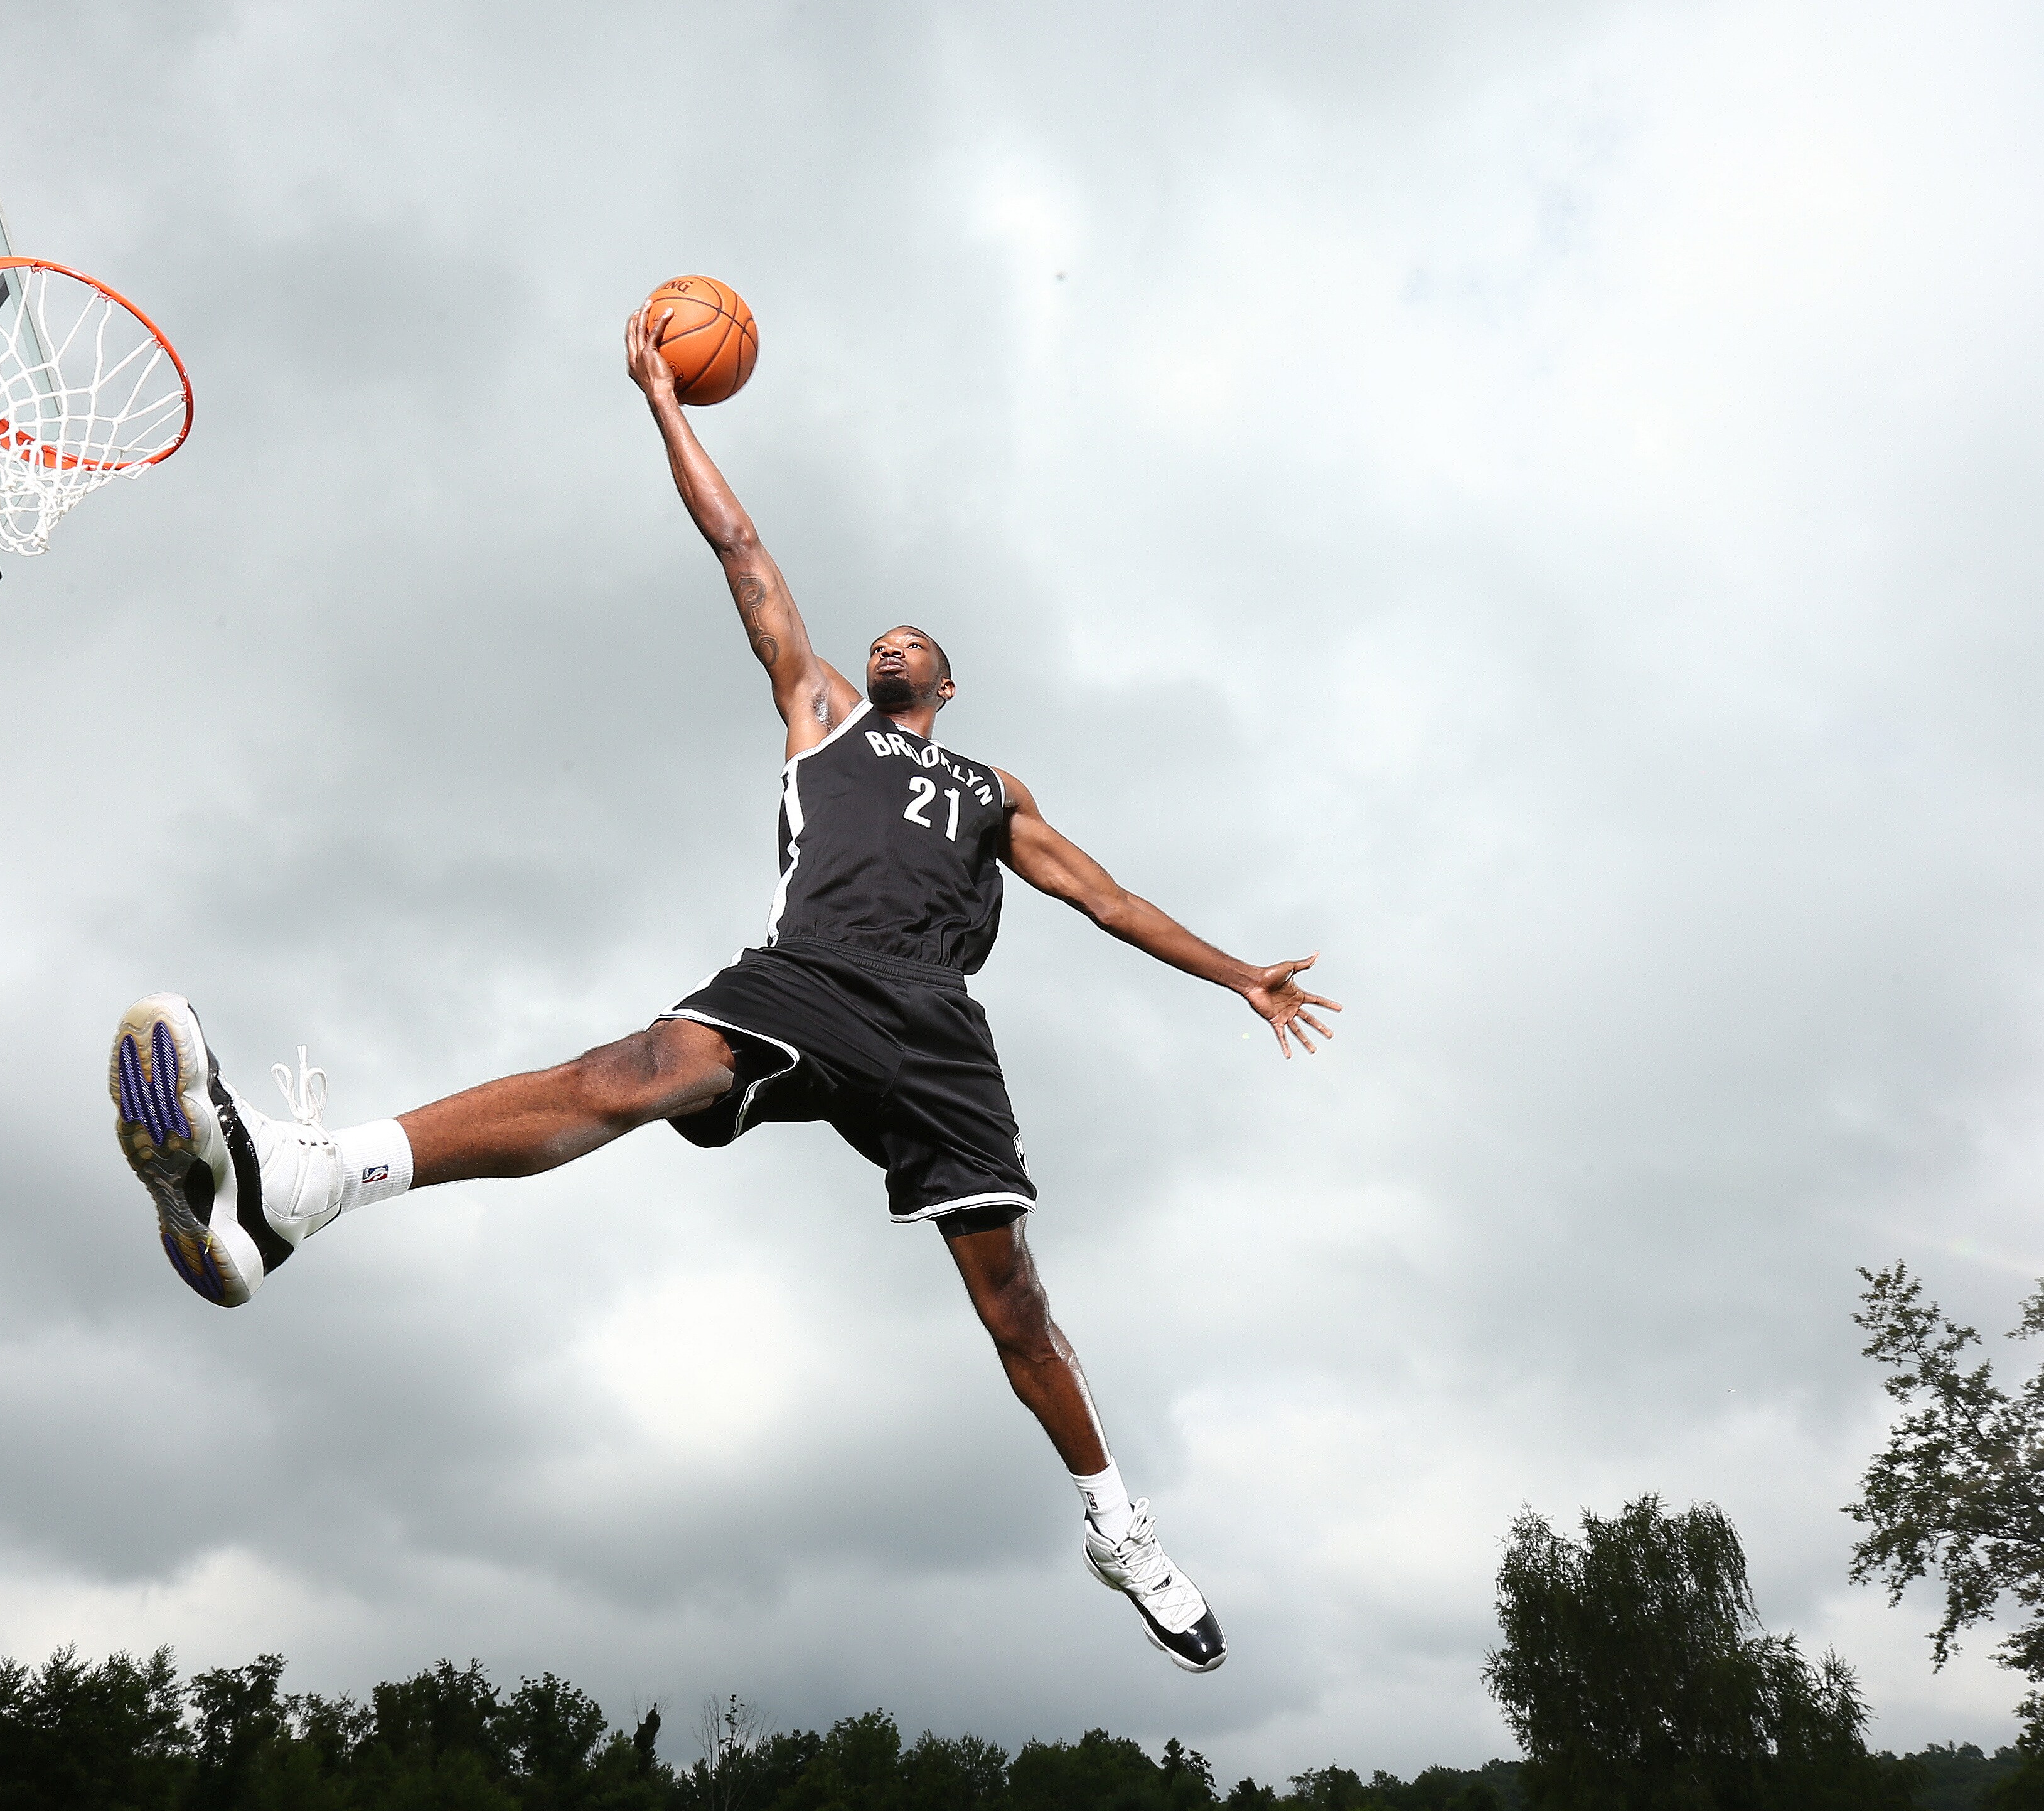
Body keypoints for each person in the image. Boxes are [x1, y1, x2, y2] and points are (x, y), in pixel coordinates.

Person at [109, 305, 1340, 1673]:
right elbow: (740, 551)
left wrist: (1238, 977)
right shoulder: (818, 715)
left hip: (934, 1026)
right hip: (808, 977)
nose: (889, 644)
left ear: (948, 680)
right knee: (643, 1072)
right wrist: (664, 404)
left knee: (1013, 1307)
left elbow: (1101, 898)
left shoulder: (995, 793)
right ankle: (303, 1187)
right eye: (878, 636)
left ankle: (1118, 1527)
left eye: (913, 642)